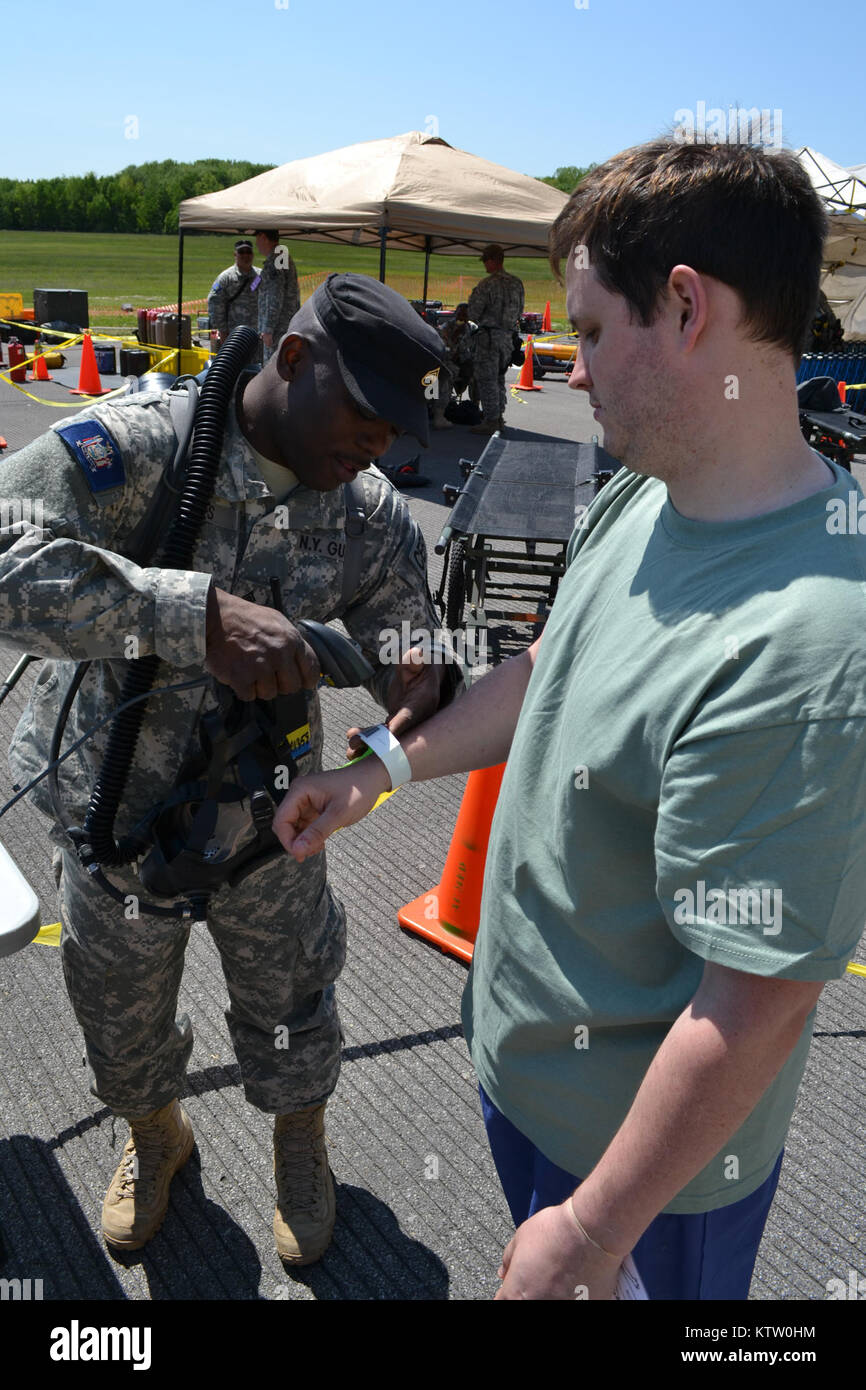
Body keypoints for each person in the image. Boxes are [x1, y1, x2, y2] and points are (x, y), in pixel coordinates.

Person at [272, 140, 866, 1300]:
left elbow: (751, 1002)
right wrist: (383, 767)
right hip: (529, 1082)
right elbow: (550, 665)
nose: (573, 371)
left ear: (686, 308)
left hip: (645, 1175)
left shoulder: (807, 645)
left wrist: (593, 1231)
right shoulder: (647, 488)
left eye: (589, 332)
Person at [0, 273, 455, 1267]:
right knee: (117, 1009)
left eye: (395, 427)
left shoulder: (365, 508)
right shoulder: (138, 448)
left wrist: (417, 678)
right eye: (365, 414)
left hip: (268, 821)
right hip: (117, 816)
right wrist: (188, 614)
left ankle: (301, 1141)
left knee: (292, 998)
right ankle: (155, 1130)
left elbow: (401, 620)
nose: (380, 444)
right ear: (292, 361)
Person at [467, 245, 524, 435]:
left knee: (487, 379)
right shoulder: (517, 283)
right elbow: (520, 311)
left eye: (485, 260)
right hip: (507, 339)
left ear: (493, 260)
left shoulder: (486, 285)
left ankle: (491, 420)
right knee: (499, 378)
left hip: (489, 338)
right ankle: (498, 417)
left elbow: (473, 313)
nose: (484, 264)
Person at [255, 230, 300, 363]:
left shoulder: (276, 260)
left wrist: (268, 329)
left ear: (263, 237)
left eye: (257, 239)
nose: (256, 244)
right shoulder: (281, 256)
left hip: (278, 329)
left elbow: (275, 296)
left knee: (273, 368)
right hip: (285, 325)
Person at [207, 239, 259, 349]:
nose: (245, 255)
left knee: (256, 365)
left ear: (253, 254)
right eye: (241, 252)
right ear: (235, 254)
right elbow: (214, 301)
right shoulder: (225, 278)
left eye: (248, 252)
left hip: (256, 334)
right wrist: (222, 331)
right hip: (233, 335)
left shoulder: (259, 276)